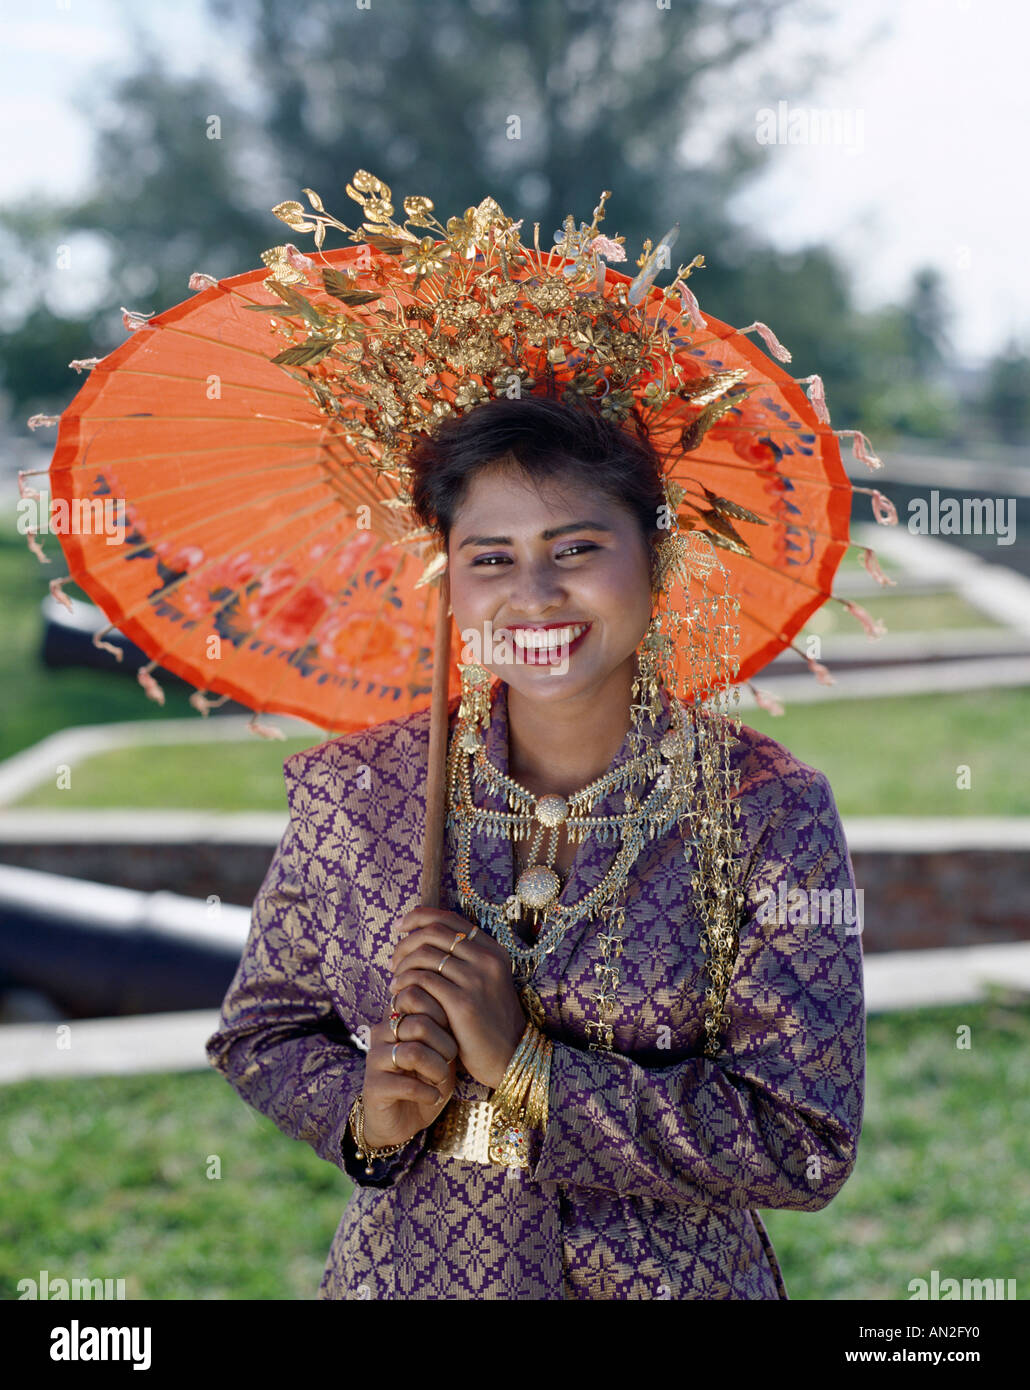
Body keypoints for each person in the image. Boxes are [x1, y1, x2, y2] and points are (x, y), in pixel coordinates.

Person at [204, 390, 865, 1301]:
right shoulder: (358, 795)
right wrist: (368, 1116)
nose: (535, 593)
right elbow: (261, 1034)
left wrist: (530, 1070)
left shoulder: (765, 812)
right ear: (449, 578)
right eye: (490, 558)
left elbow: (804, 1143)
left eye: (578, 548)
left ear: (658, 556)